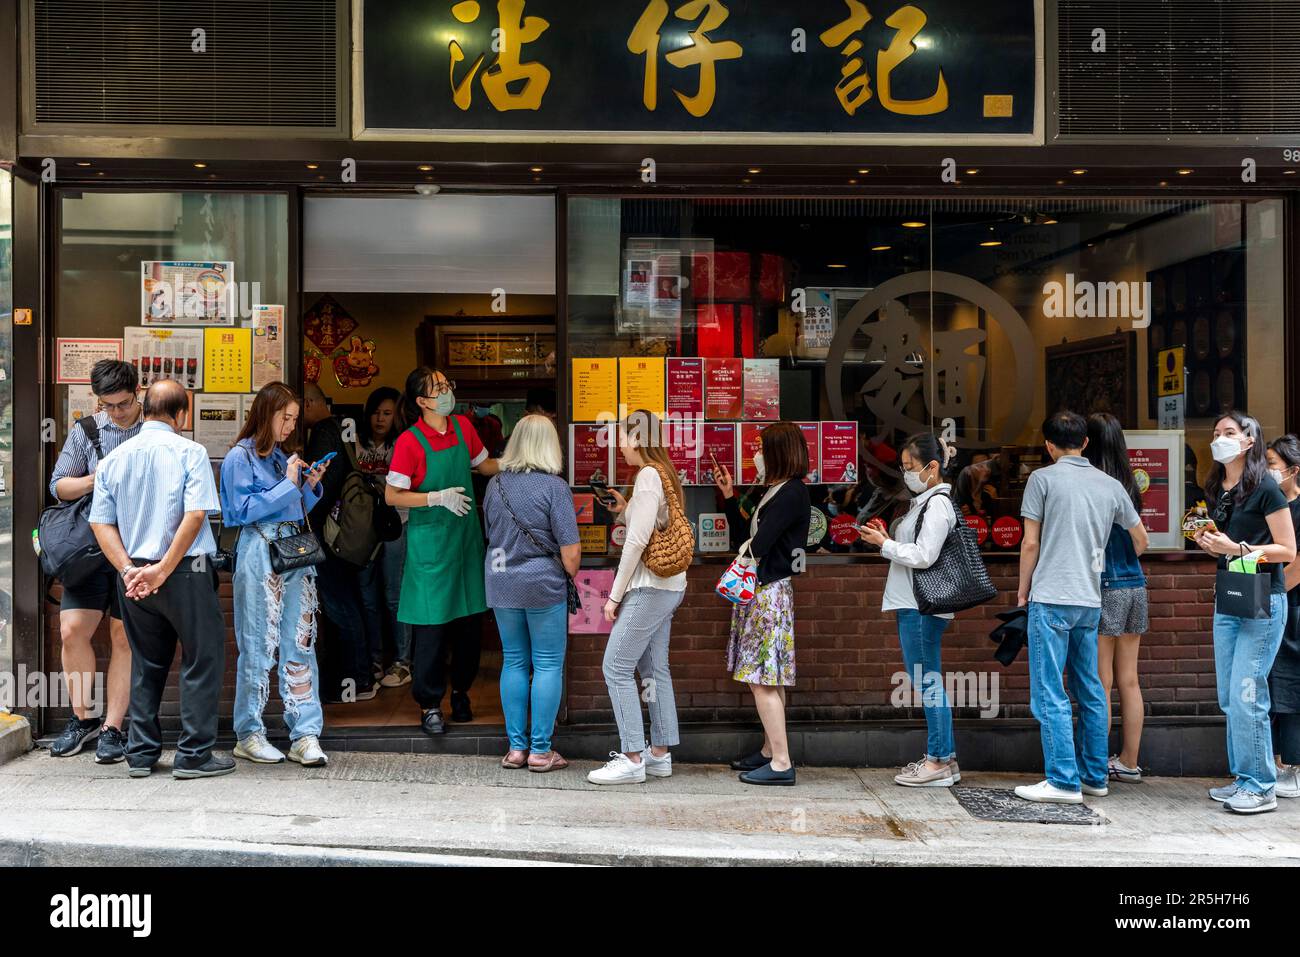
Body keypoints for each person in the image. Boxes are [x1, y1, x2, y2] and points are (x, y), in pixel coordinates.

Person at [87, 379, 232, 779]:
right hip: (185, 570)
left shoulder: (116, 457)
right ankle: (194, 756)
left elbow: (100, 522)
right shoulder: (191, 451)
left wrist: (130, 571)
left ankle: (141, 753)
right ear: (182, 415)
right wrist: (163, 569)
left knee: (146, 662)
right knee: (202, 659)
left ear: (145, 408)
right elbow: (197, 514)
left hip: (132, 575)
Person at [1014, 411, 1149, 805]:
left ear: (1049, 445)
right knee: (1091, 688)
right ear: (1085, 443)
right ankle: (1093, 776)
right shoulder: (1110, 485)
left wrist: (1023, 590)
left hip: (1052, 595)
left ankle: (1062, 780)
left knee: (1049, 691)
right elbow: (1140, 539)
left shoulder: (1042, 479)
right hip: (1090, 599)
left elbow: (1030, 544)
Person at [384, 367, 499, 736]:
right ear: (422, 401)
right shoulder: (409, 442)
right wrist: (435, 498)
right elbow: (392, 495)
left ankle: (462, 692)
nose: (447, 391)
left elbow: (484, 467)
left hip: (465, 542)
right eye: (439, 388)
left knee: (468, 626)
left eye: (447, 384)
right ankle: (430, 704)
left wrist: (521, 460)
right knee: (432, 630)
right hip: (431, 545)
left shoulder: (464, 428)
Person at [220, 383, 329, 768]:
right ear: (265, 414)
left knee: (300, 639)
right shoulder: (239, 457)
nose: (289, 426)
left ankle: (305, 732)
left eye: (295, 419)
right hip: (258, 552)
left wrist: (309, 487)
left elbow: (293, 507)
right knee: (258, 641)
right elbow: (240, 511)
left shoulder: (282, 455)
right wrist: (288, 483)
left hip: (292, 550)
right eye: (285, 418)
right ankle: (248, 732)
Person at [1195, 412, 1296, 814]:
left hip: (1263, 600)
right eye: (1216, 433)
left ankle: (1261, 785)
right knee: (1228, 695)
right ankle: (1243, 777)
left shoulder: (1266, 488)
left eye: (1230, 433)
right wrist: (1210, 543)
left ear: (1249, 440)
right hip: (1231, 597)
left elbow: (1286, 550)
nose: (1220, 439)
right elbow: (1225, 543)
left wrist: (1235, 548)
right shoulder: (1217, 487)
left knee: (1247, 692)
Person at [47, 359, 144, 762]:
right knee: (71, 629)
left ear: (137, 394)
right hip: (89, 548)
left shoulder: (154, 428)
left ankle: (113, 728)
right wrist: (97, 477)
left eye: (123, 404)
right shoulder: (86, 430)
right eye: (108, 405)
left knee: (124, 637)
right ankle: (83, 717)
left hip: (136, 548)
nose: (117, 413)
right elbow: (59, 487)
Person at [587, 410, 687, 785]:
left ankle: (631, 757)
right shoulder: (664, 473)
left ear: (637, 439)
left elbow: (636, 543)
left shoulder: (647, 476)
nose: (619, 445)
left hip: (648, 589)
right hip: (670, 588)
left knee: (615, 666)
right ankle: (659, 752)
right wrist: (626, 510)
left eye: (623, 438)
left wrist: (613, 597)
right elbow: (651, 524)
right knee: (653, 669)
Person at [859, 433, 961, 787]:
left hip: (921, 607)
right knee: (927, 679)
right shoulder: (925, 501)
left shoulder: (937, 505)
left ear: (932, 467)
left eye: (910, 467)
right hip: (914, 605)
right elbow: (914, 547)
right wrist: (887, 537)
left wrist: (885, 544)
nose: (905, 474)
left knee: (927, 681)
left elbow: (923, 555)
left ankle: (937, 761)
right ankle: (943, 757)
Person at [714, 421, 812, 786]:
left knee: (762, 680)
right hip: (762, 591)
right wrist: (729, 497)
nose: (755, 455)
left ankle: (782, 762)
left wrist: (745, 554)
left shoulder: (791, 493)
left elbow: (760, 544)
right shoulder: (775, 491)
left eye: (760, 448)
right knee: (768, 678)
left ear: (777, 453)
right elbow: (748, 538)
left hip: (768, 593)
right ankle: (771, 750)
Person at [482, 415, 581, 772]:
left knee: (514, 660)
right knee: (547, 664)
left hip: (501, 579)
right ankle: (541, 750)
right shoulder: (554, 487)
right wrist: (566, 573)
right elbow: (570, 551)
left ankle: (516, 749)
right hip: (543, 583)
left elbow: (490, 532)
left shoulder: (496, 485)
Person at [1083, 413, 1149, 784]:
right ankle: (1129, 761)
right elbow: (1141, 543)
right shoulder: (1129, 485)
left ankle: (1095, 765)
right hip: (1135, 585)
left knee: (1100, 680)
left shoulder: (1095, 486)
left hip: (1105, 587)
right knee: (1129, 680)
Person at [303, 382, 376, 702]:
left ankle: (357, 677)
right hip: (343, 536)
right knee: (346, 601)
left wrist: (307, 523)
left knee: (338, 604)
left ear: (308, 404)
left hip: (327, 537)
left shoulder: (323, 432)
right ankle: (358, 675)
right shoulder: (341, 431)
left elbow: (323, 488)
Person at [353, 386, 413, 688]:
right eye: (376, 412)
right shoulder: (355, 442)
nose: (380, 418)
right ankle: (374, 659)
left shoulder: (402, 444)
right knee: (367, 595)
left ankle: (402, 661)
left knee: (393, 595)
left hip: (397, 524)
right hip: (362, 527)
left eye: (387, 413)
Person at [1265, 434, 1300, 798]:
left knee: (1290, 686)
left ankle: (1293, 767)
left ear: (1293, 470)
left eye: (1273, 464)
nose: (1268, 469)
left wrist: (1268, 594)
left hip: (1293, 607)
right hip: (1276, 604)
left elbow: (1295, 567)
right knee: (1273, 685)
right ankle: (1275, 763)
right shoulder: (1274, 506)